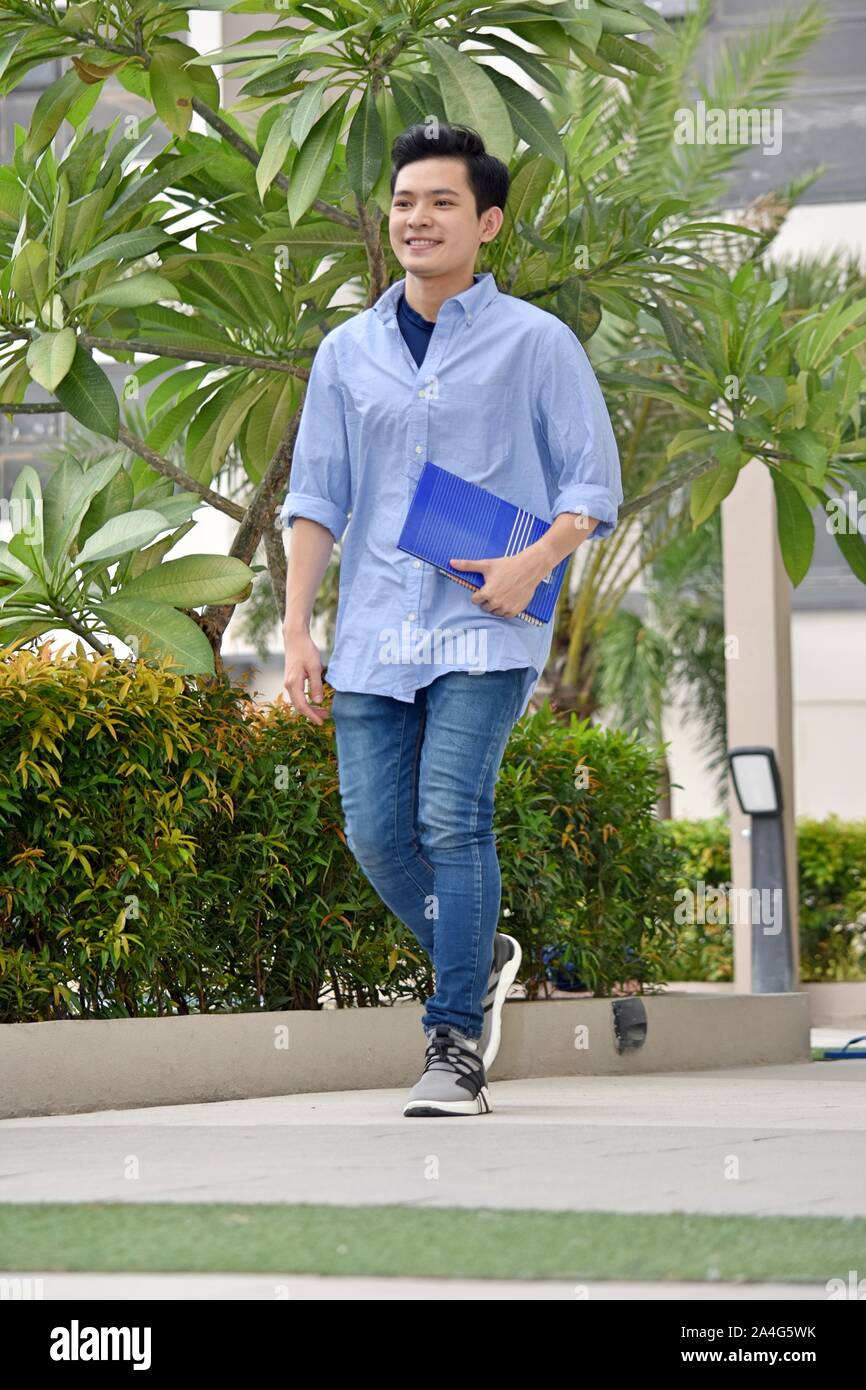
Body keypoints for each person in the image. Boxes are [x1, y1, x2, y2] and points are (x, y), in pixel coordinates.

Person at [280, 122, 622, 1118]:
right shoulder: (346, 353)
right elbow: (316, 497)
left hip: (483, 621)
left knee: (449, 816)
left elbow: (590, 484)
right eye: (402, 203)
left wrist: (532, 562)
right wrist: (297, 627)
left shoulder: (535, 344)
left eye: (438, 203)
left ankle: (451, 1045)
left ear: (486, 222)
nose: (416, 219)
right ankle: (478, 950)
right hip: (375, 629)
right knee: (376, 834)